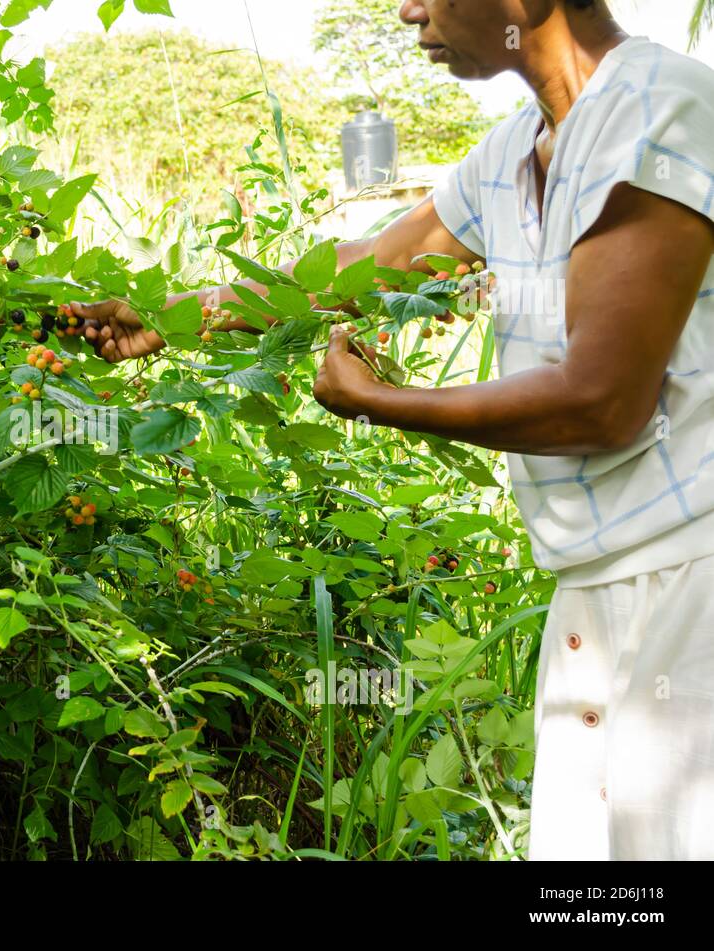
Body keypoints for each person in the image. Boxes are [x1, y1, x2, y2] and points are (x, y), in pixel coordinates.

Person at [74, 0, 714, 860]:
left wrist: (383, 400)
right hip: (594, 589)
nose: (410, 9)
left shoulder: (659, 110)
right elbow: (364, 268)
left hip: (687, 582)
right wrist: (163, 315)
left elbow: (603, 401)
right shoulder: (514, 153)